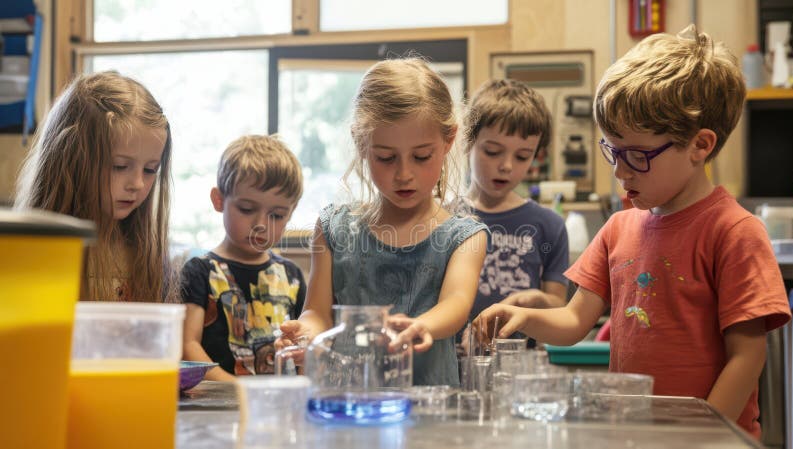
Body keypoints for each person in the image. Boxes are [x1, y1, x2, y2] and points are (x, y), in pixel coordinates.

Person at [473, 25, 791, 437]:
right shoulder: (618, 228)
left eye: (636, 156)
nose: (620, 171)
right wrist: (521, 317)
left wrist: (700, 435)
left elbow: (747, 358)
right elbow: (573, 320)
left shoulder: (734, 232)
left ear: (700, 146)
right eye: (613, 152)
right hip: (634, 433)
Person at [279, 57, 489, 386]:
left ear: (448, 140)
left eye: (421, 156)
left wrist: (424, 325)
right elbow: (318, 313)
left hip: (429, 415)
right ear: (362, 144)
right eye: (386, 157)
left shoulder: (464, 237)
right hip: (348, 406)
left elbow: (456, 304)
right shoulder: (333, 229)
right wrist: (306, 334)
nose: (404, 174)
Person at [15, 71, 177, 302]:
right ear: (71, 161)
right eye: (120, 166)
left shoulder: (145, 255)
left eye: (150, 169)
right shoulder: (32, 253)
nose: (138, 184)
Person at [180, 135, 307, 380]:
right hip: (220, 404)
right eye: (247, 209)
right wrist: (236, 388)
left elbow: (304, 348)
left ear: (291, 214)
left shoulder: (292, 276)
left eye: (277, 215)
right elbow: (188, 345)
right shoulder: (199, 271)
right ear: (219, 200)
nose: (261, 225)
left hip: (278, 403)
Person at [463, 79, 569, 343]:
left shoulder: (549, 226)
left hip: (519, 365)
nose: (507, 165)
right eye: (493, 151)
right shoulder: (441, 218)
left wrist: (537, 300)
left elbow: (559, 306)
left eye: (522, 156)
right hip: (454, 365)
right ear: (467, 141)